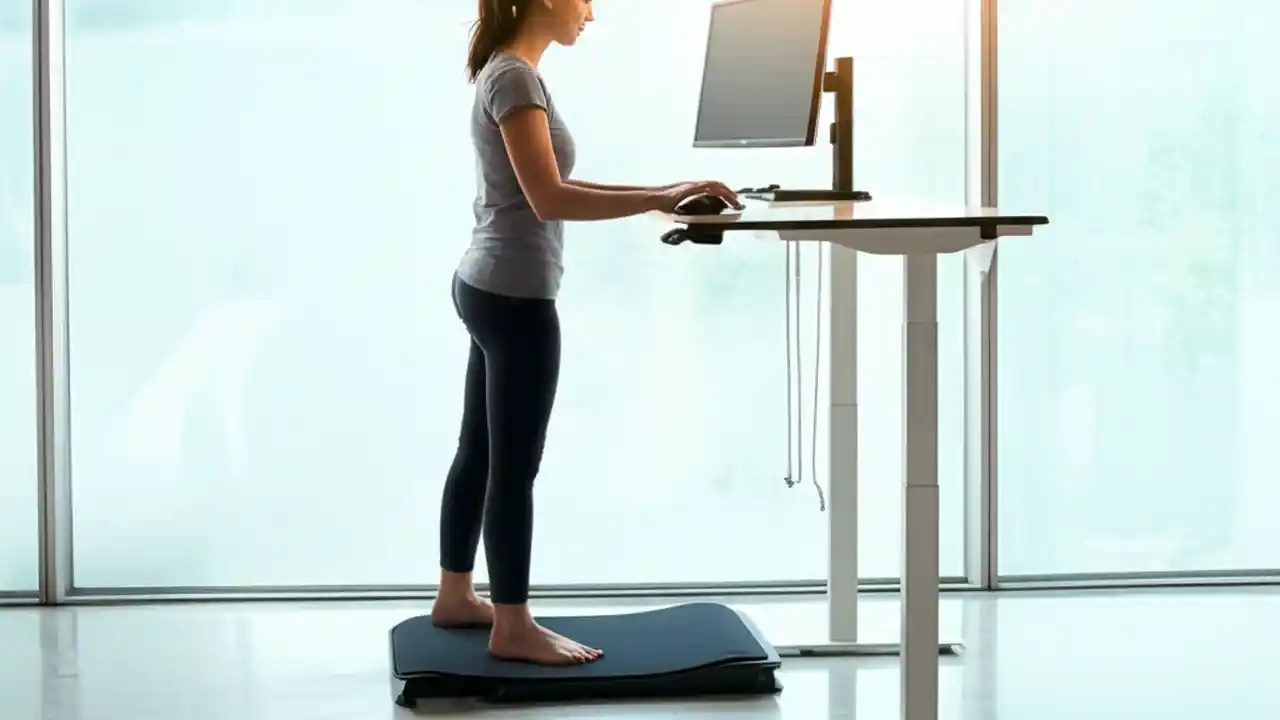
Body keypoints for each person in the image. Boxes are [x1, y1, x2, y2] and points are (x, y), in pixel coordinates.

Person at [428, 0, 743, 667]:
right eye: (586, 0)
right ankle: (512, 626)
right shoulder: (514, 77)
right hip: (514, 296)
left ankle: (456, 595)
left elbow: (553, 182)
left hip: (486, 283)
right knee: (512, 468)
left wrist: (667, 189)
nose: (591, 15)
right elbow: (550, 199)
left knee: (478, 450)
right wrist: (660, 198)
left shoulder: (509, 72)